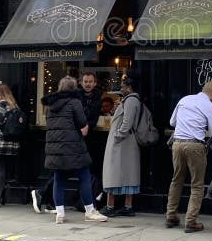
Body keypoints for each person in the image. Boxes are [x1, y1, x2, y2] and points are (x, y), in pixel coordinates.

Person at [31, 71, 104, 214]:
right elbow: (83, 122)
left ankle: (58, 211)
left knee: (60, 176)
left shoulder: (51, 104)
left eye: (90, 81)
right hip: (73, 143)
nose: (87, 84)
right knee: (83, 174)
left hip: (55, 146)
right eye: (85, 81)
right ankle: (89, 209)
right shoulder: (75, 101)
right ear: (77, 86)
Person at [165, 81, 212, 232]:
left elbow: (172, 122)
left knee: (176, 180)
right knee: (197, 184)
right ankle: (190, 221)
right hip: (195, 145)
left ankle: (171, 216)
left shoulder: (184, 100)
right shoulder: (210, 107)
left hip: (177, 144)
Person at [101, 70, 143, 217]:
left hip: (123, 143)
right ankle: (125, 206)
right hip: (123, 144)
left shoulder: (131, 100)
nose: (121, 88)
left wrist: (118, 136)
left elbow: (127, 122)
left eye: (123, 86)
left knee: (117, 174)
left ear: (129, 88)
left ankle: (113, 206)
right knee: (121, 175)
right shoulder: (128, 100)